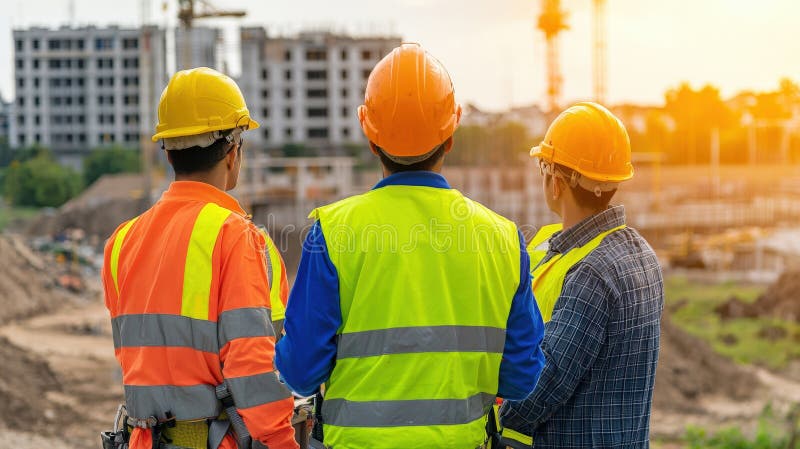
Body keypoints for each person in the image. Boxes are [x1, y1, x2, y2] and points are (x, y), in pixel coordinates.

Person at [274, 43, 546, 449]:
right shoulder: (503, 237)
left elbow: (300, 371)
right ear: (449, 138)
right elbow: (521, 378)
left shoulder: (333, 233)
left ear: (370, 139)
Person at [101, 67, 297, 449]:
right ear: (233, 150)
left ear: (169, 151)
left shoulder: (121, 242)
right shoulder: (234, 236)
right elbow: (253, 368)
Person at [499, 102, 664, 448]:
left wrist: (493, 413)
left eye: (544, 166)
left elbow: (539, 389)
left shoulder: (591, 273)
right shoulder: (641, 254)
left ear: (557, 182)